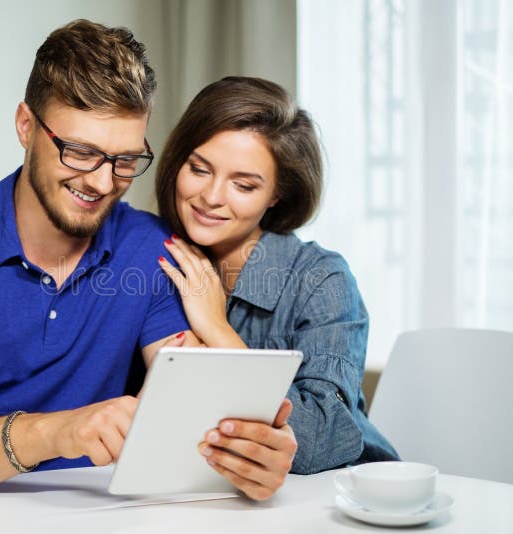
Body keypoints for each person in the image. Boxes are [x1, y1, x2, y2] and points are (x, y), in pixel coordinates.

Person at [0, 22, 294, 501]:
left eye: (126, 160)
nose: (103, 183)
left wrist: (251, 454)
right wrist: (55, 433)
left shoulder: (151, 251)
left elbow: (196, 411)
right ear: (26, 126)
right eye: (81, 152)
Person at [155, 76, 399, 475]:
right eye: (199, 169)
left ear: (276, 194)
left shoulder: (320, 280)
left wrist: (218, 331)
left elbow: (324, 440)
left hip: (340, 498)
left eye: (244, 185)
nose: (212, 197)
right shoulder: (150, 258)